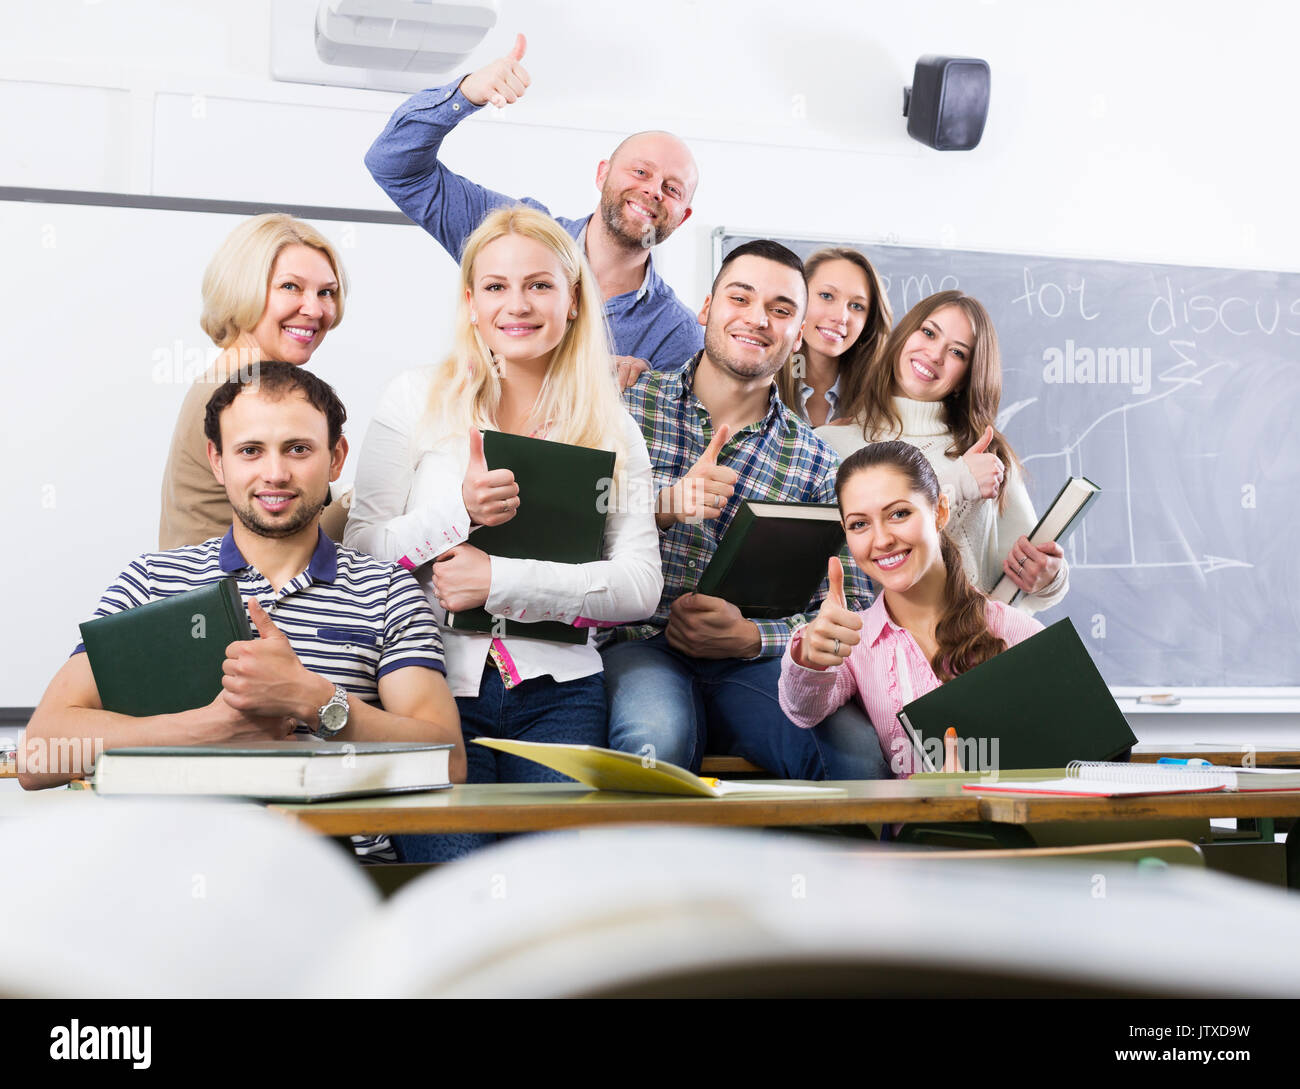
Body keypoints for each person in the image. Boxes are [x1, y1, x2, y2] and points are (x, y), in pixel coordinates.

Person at [22, 363, 464, 859]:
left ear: (337, 457)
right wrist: (208, 728)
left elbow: (447, 760)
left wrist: (317, 701)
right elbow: (39, 757)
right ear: (217, 461)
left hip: (341, 879)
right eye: (250, 450)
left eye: (298, 449)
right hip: (175, 875)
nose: (275, 473)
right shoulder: (152, 582)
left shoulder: (387, 591)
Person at [344, 206, 662, 831]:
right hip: (428, 684)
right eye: (496, 287)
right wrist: (455, 514)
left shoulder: (613, 427)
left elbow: (640, 586)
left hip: (561, 692)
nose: (517, 305)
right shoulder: (414, 398)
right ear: (470, 302)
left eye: (539, 285)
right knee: (447, 882)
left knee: (551, 893)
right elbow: (359, 551)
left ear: (572, 300)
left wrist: (502, 581)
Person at [603, 239, 873, 778]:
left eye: (781, 310)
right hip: (637, 645)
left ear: (798, 336)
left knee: (858, 759)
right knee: (654, 740)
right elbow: (568, 523)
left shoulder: (817, 463)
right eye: (740, 298)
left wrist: (753, 638)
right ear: (707, 309)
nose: (758, 319)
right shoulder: (621, 405)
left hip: (753, 665)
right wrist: (661, 506)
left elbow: (852, 606)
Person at [364, 32, 702, 384]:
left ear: (683, 218)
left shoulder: (677, 334)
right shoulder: (513, 232)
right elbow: (393, 166)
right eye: (640, 171)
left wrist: (645, 395)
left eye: (672, 188)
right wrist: (465, 94)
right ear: (602, 174)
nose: (652, 190)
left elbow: (670, 434)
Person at [779, 441, 1043, 776]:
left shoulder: (1014, 632)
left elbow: (1076, 738)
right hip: (914, 825)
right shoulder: (852, 642)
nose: (882, 539)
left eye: (899, 514)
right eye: (859, 524)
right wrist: (808, 658)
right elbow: (803, 710)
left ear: (940, 512)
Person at [817, 290, 1068, 613]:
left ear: (967, 376)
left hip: (980, 651)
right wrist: (954, 485)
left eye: (957, 353)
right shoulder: (831, 443)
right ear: (904, 336)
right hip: (877, 655)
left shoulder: (985, 452)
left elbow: (1028, 581)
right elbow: (846, 569)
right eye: (928, 332)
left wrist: (1049, 578)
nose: (935, 354)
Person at [159, 213, 348, 549]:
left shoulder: (234, 377)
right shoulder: (246, 393)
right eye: (291, 286)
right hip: (233, 594)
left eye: (326, 292)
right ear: (243, 288)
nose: (315, 309)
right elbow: (296, 537)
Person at [776, 247, 892, 427]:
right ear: (798, 298)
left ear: (868, 323)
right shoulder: (761, 387)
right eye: (826, 296)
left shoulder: (879, 403)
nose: (841, 317)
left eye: (856, 306)